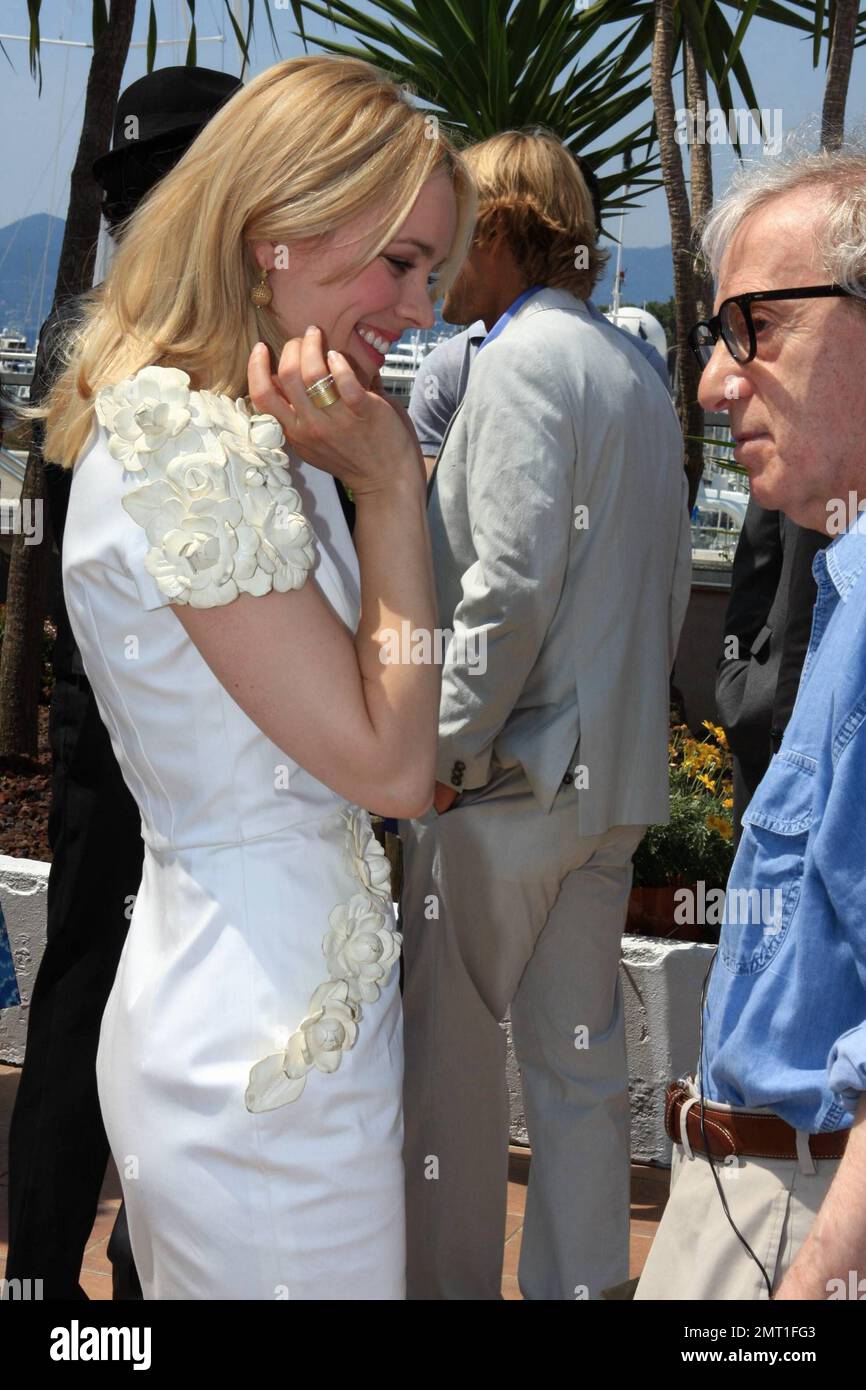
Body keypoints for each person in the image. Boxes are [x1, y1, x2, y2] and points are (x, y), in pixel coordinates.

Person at [31, 54, 476, 1300]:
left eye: (431, 271)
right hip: (258, 1064)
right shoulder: (193, 448)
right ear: (274, 226)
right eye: (399, 261)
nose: (421, 305)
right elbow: (394, 765)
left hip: (269, 1024)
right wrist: (392, 485)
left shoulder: (231, 432)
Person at [397, 129, 692, 1300]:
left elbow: (503, 592)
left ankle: (446, 1288)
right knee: (579, 1077)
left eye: (458, 233)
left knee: (451, 1074)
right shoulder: (634, 373)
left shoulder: (518, 366)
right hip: (606, 785)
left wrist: (435, 755)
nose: (438, 263)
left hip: (505, 790)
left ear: (507, 230)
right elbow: (664, 588)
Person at [5, 66, 241, 1304]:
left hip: (95, 707)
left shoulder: (78, 334)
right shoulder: (197, 345)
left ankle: (41, 1275)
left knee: (84, 978)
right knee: (156, 983)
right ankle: (139, 1277)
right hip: (181, 724)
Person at [636, 140, 866, 1301]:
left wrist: (814, 1273)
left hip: (794, 1221)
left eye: (753, 330)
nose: (717, 384)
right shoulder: (844, 582)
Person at [409, 154, 669, 479]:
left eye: (458, 231)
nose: (441, 255)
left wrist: (377, 478)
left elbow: (511, 524)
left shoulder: (505, 359)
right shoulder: (640, 365)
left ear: (496, 232)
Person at [715, 497, 827, 841]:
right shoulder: (793, 448)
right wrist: (738, 689)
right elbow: (754, 575)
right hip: (766, 734)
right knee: (763, 894)